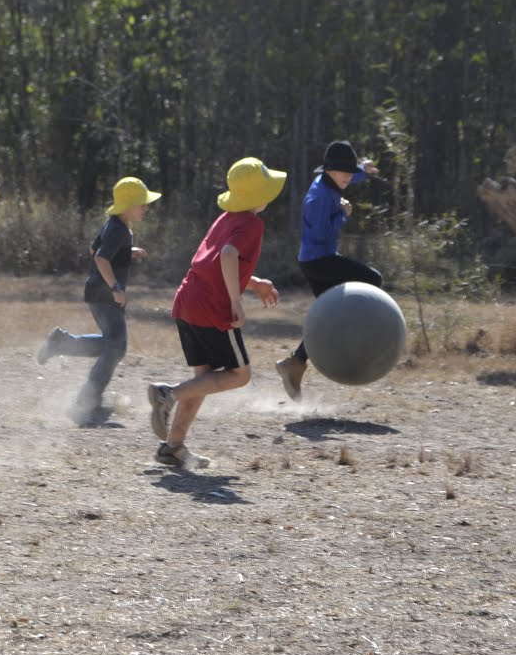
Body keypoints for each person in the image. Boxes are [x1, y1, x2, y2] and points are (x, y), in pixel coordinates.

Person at [145, 157, 287, 468]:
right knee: (239, 375)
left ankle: (173, 447)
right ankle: (167, 394)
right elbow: (228, 254)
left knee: (206, 379)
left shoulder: (226, 218)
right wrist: (235, 301)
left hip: (188, 300)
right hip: (211, 307)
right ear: (257, 196)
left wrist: (254, 283)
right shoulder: (252, 223)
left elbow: (216, 263)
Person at [36, 176, 161, 425]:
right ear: (127, 206)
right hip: (105, 295)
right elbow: (102, 259)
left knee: (111, 345)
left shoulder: (114, 225)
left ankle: (63, 343)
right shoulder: (119, 229)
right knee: (116, 347)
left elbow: (95, 250)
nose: (146, 208)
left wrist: (126, 252)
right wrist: (115, 287)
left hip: (97, 293)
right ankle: (86, 401)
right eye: (142, 204)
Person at [275, 140, 383, 400]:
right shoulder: (319, 198)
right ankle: (359, 333)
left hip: (316, 260)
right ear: (328, 171)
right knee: (373, 279)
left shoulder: (332, 180)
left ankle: (294, 364)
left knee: (328, 319)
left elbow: (349, 176)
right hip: (320, 261)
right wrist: (343, 213)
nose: (348, 176)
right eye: (343, 171)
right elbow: (323, 233)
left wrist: (363, 170)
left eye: (350, 171)